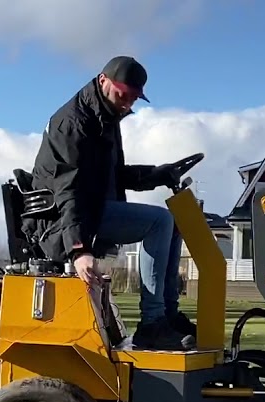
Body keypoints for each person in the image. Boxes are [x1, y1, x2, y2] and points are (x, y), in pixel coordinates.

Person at [28, 55, 196, 351]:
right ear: (103, 80)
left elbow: (113, 176)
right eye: (124, 95)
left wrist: (156, 174)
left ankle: (167, 316)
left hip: (89, 210)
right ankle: (152, 324)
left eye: (133, 99)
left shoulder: (105, 118)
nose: (127, 104)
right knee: (160, 221)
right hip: (61, 221)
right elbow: (68, 188)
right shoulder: (74, 123)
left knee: (175, 221)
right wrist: (79, 249)